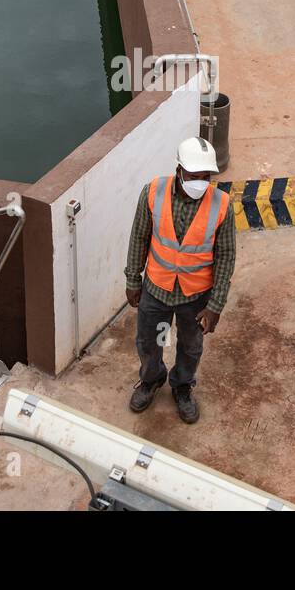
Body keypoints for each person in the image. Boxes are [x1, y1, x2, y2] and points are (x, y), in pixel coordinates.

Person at [123, 136, 235, 424]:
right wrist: (133, 279)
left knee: (190, 346)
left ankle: (182, 386)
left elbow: (225, 257)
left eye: (206, 177)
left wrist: (216, 305)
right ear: (179, 170)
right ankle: (151, 379)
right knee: (149, 342)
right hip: (156, 289)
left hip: (195, 297)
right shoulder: (153, 192)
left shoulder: (221, 204)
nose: (201, 182)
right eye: (194, 176)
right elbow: (139, 236)